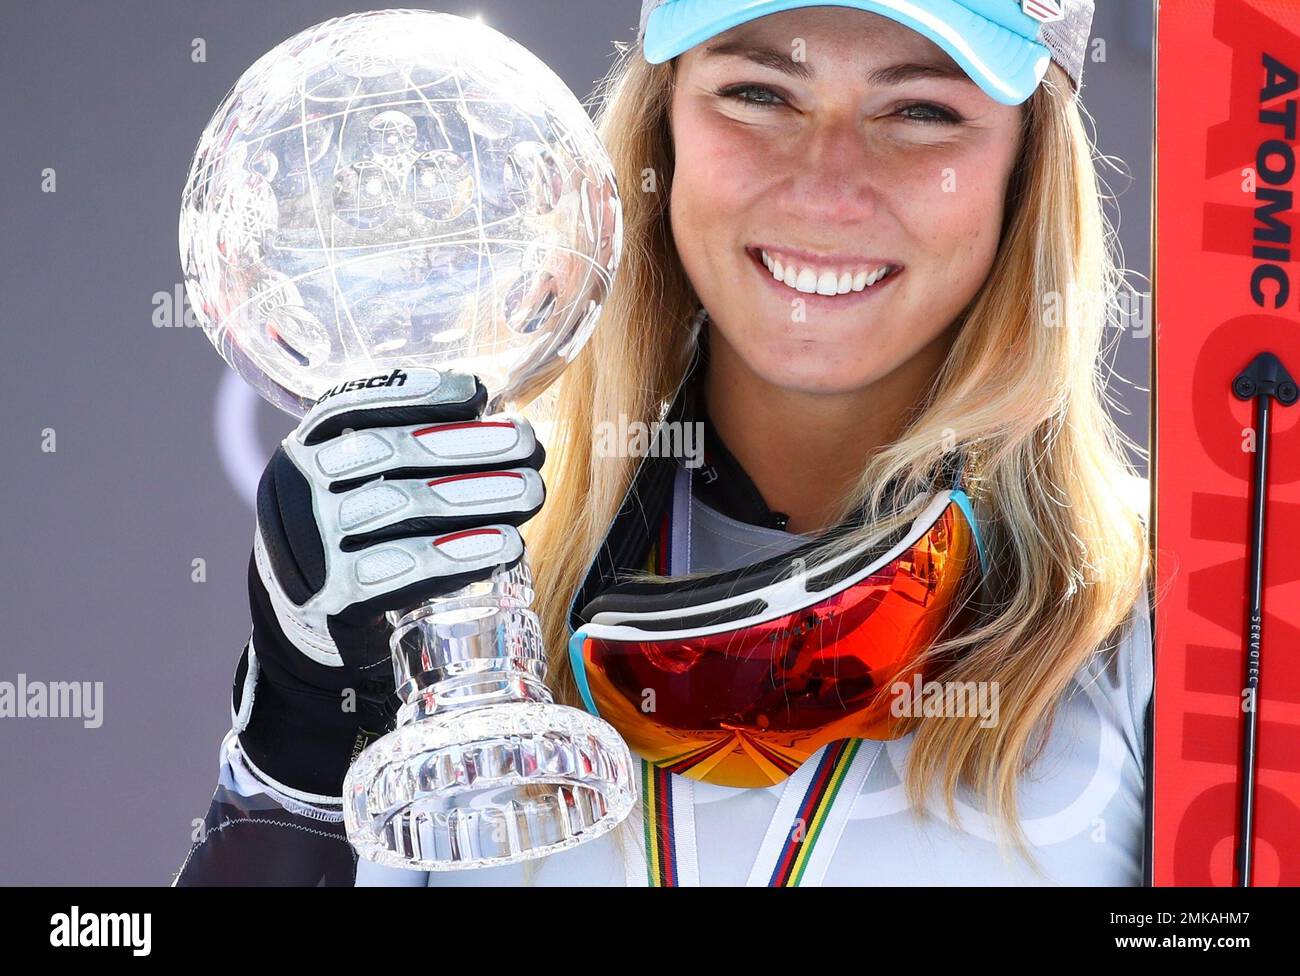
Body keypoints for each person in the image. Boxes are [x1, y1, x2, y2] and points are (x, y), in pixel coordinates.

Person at [176, 0, 1153, 887]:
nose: (827, 186)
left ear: (1027, 169)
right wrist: (298, 748)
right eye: (759, 93)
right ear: (662, 126)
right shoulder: (469, 578)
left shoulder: (1166, 624)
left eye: (920, 112)